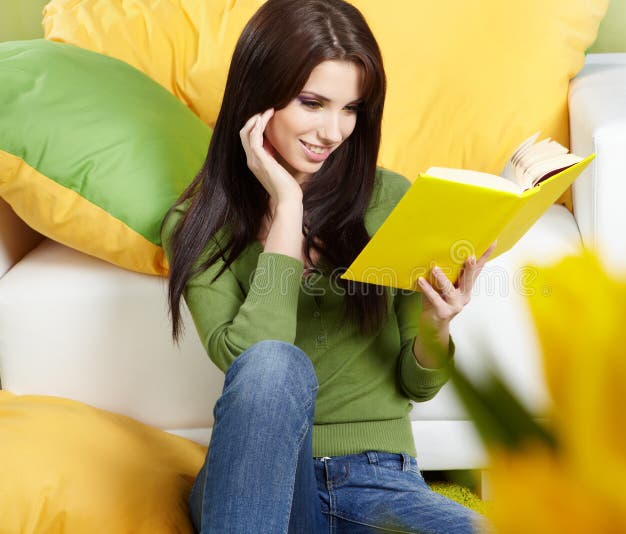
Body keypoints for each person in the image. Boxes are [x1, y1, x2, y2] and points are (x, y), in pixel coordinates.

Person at [161, 0, 495, 532]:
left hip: (378, 481)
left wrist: (438, 323)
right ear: (258, 96)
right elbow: (253, 362)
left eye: (351, 109)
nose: (333, 131)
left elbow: (417, 384)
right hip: (257, 483)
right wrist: (287, 210)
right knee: (277, 363)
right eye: (312, 103)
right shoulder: (198, 222)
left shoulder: (389, 198)